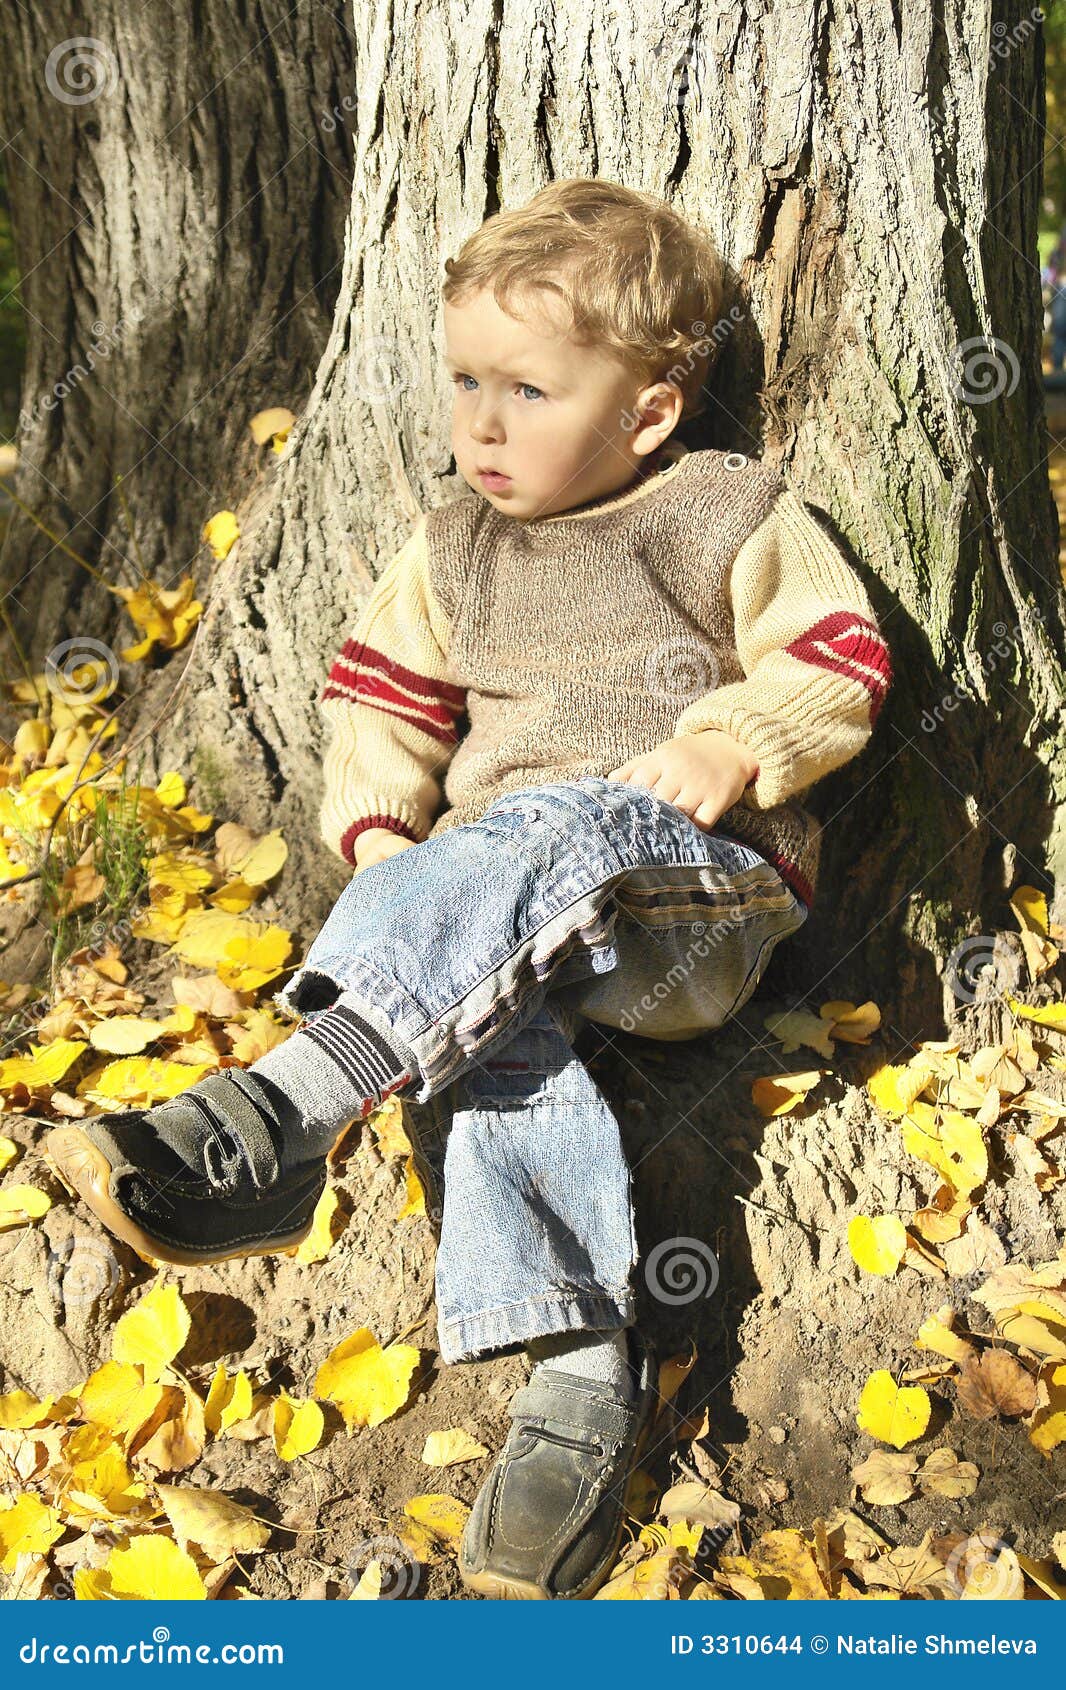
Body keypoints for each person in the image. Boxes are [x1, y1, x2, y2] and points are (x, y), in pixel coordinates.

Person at [45, 178, 893, 1600]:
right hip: (504, 931)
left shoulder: (725, 510)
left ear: (646, 414)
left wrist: (727, 739)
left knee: (547, 825)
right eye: (464, 383)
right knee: (482, 1023)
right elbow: (377, 708)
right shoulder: (450, 546)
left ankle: (283, 1113)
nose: (481, 424)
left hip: (692, 907)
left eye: (528, 390)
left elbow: (839, 659)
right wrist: (380, 835)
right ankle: (575, 1376)